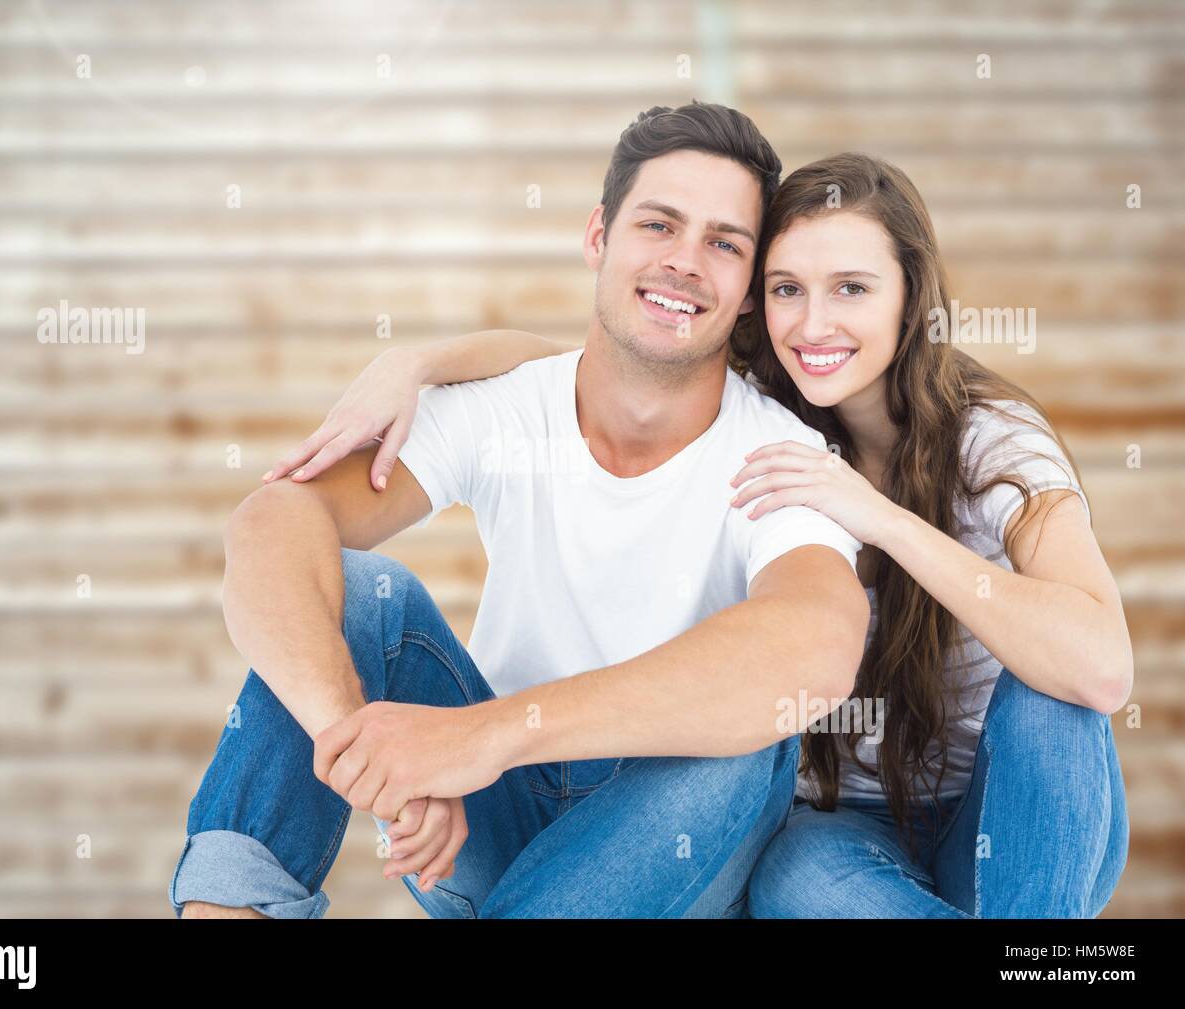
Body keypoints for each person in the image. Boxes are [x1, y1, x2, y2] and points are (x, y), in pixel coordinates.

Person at [293, 152, 1133, 918]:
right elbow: (577, 363)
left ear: (911, 296)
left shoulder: (993, 439)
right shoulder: (766, 408)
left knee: (1052, 693)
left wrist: (881, 518)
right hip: (844, 822)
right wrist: (420, 362)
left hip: (1019, 814)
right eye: (785, 288)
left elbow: (1100, 667)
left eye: (852, 288)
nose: (813, 323)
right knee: (794, 884)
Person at [169, 101, 871, 919]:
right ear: (597, 238)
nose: (685, 261)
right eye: (659, 225)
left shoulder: (778, 454)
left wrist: (486, 735)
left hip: (663, 845)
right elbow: (272, 525)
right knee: (366, 594)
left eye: (723, 243)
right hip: (490, 821)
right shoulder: (507, 408)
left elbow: (816, 644)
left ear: (749, 292)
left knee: (750, 737)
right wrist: (363, 742)